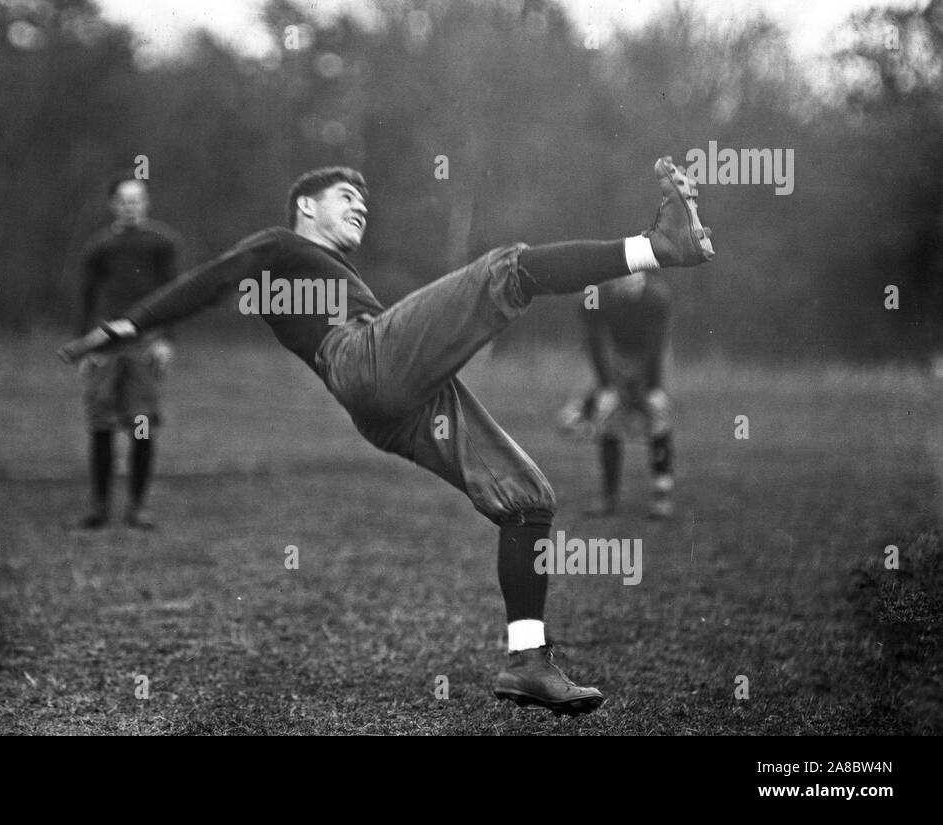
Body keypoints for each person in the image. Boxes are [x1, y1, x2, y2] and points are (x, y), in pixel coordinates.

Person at [58, 158, 714, 713]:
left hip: (391, 401)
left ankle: (528, 660)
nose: (360, 207)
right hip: (364, 363)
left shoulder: (336, 273)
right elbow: (214, 279)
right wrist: (127, 326)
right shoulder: (284, 246)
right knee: (506, 268)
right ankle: (661, 245)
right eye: (347, 197)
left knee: (527, 498)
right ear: (305, 209)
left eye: (364, 201)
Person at [72, 175, 181, 530]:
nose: (131, 206)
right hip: (106, 346)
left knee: (142, 425)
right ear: (114, 204)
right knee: (101, 424)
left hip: (144, 344)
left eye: (138, 200)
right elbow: (87, 299)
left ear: (146, 203)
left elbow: (173, 295)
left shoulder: (162, 243)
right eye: (124, 200)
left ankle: (138, 507)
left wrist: (166, 340)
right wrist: (87, 345)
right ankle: (99, 508)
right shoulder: (99, 247)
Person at [563, 271, 676, 518]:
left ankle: (662, 495)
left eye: (637, 281)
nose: (632, 286)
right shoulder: (598, 298)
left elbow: (657, 345)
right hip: (619, 357)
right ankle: (609, 498)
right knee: (608, 421)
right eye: (626, 281)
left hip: (650, 356)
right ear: (615, 281)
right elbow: (594, 342)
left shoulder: (657, 298)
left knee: (657, 417)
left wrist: (654, 386)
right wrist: (605, 387)